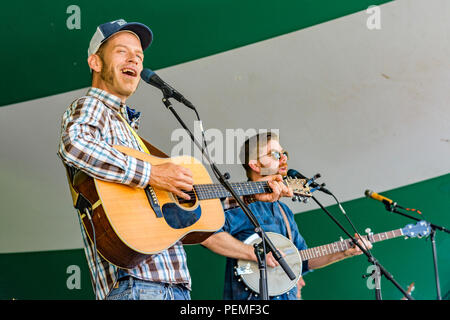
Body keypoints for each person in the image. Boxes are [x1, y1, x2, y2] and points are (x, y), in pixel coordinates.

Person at [58, 19, 287, 300]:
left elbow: (192, 204)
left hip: (170, 285)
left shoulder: (132, 135)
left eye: (139, 56)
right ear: (95, 62)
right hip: (135, 284)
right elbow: (76, 146)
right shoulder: (91, 106)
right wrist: (152, 174)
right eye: (122, 51)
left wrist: (251, 195)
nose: (134, 59)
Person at [202, 132, 372, 300]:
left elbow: (302, 259)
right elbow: (207, 235)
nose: (284, 159)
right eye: (276, 154)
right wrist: (255, 254)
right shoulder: (238, 204)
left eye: (284, 154)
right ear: (255, 164)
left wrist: (343, 252)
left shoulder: (284, 211)